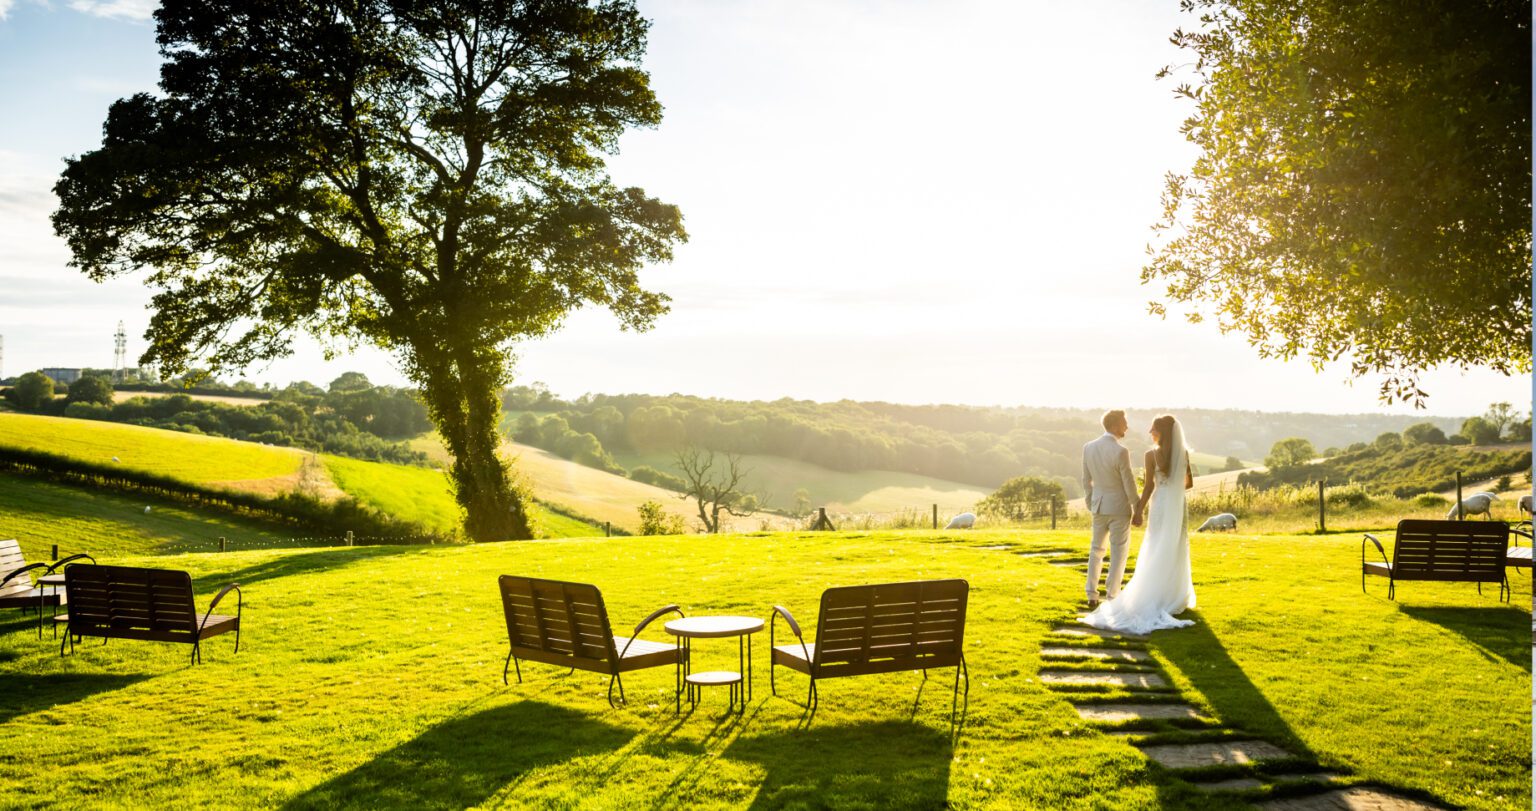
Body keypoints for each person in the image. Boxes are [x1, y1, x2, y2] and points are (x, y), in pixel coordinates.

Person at [1080, 414, 1197, 634]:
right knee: (1173, 546)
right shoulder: (1182, 454)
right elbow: (1188, 484)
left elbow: (1147, 487)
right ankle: (1120, 594)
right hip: (1175, 505)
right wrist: (1141, 505)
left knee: (1101, 550)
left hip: (1144, 504)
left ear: (1161, 432)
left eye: (1152, 429)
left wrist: (1139, 507)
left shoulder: (1147, 455)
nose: (1148, 432)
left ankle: (1091, 593)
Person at [1081, 410, 1139, 609]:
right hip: (1119, 507)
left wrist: (1090, 502)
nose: (1127, 427)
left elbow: (1086, 480)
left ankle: (1091, 594)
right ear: (1115, 426)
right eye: (1124, 423)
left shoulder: (1088, 447)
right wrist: (1137, 506)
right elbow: (1128, 482)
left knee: (1096, 550)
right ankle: (1112, 595)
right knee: (1118, 552)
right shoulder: (1121, 451)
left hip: (1098, 505)